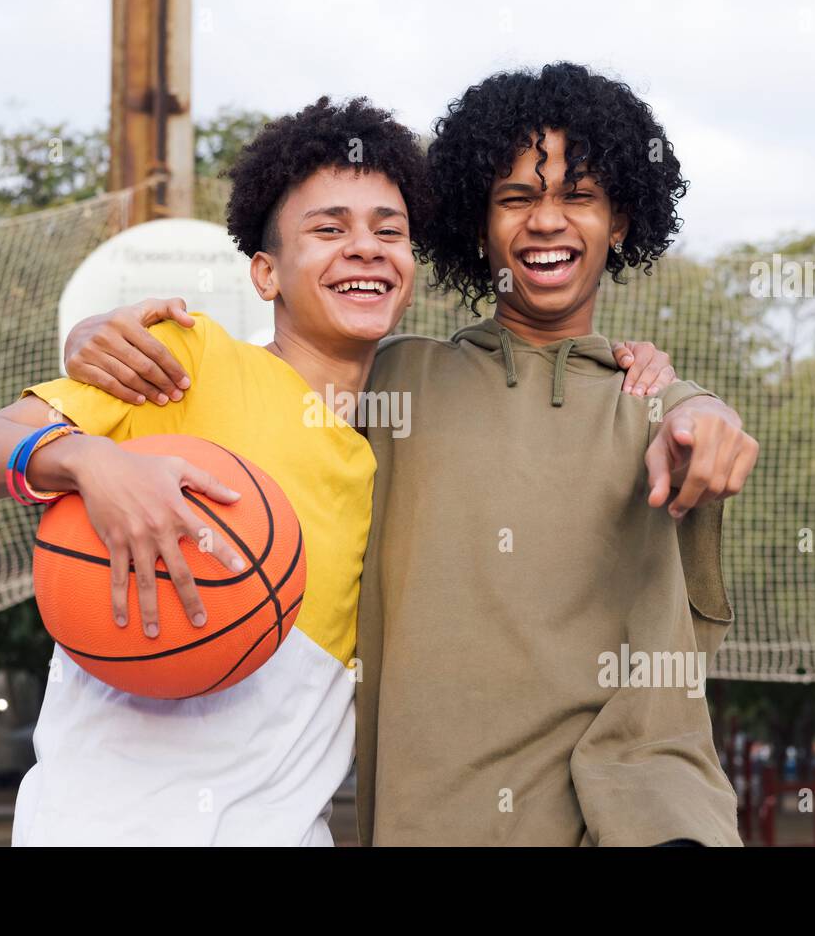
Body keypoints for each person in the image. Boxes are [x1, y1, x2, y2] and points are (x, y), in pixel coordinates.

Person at [62, 64, 758, 845]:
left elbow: (701, 429)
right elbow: (271, 381)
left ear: (621, 221)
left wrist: (705, 410)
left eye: (580, 196)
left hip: (647, 815)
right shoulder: (394, 379)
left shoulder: (652, 399)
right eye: (517, 198)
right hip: (438, 820)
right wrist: (91, 335)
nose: (548, 221)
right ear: (477, 224)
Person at [0, 96, 429, 845]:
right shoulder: (185, 358)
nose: (365, 247)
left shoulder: (402, 435)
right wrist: (85, 458)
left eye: (390, 231)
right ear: (265, 274)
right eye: (328, 229)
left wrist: (655, 382)